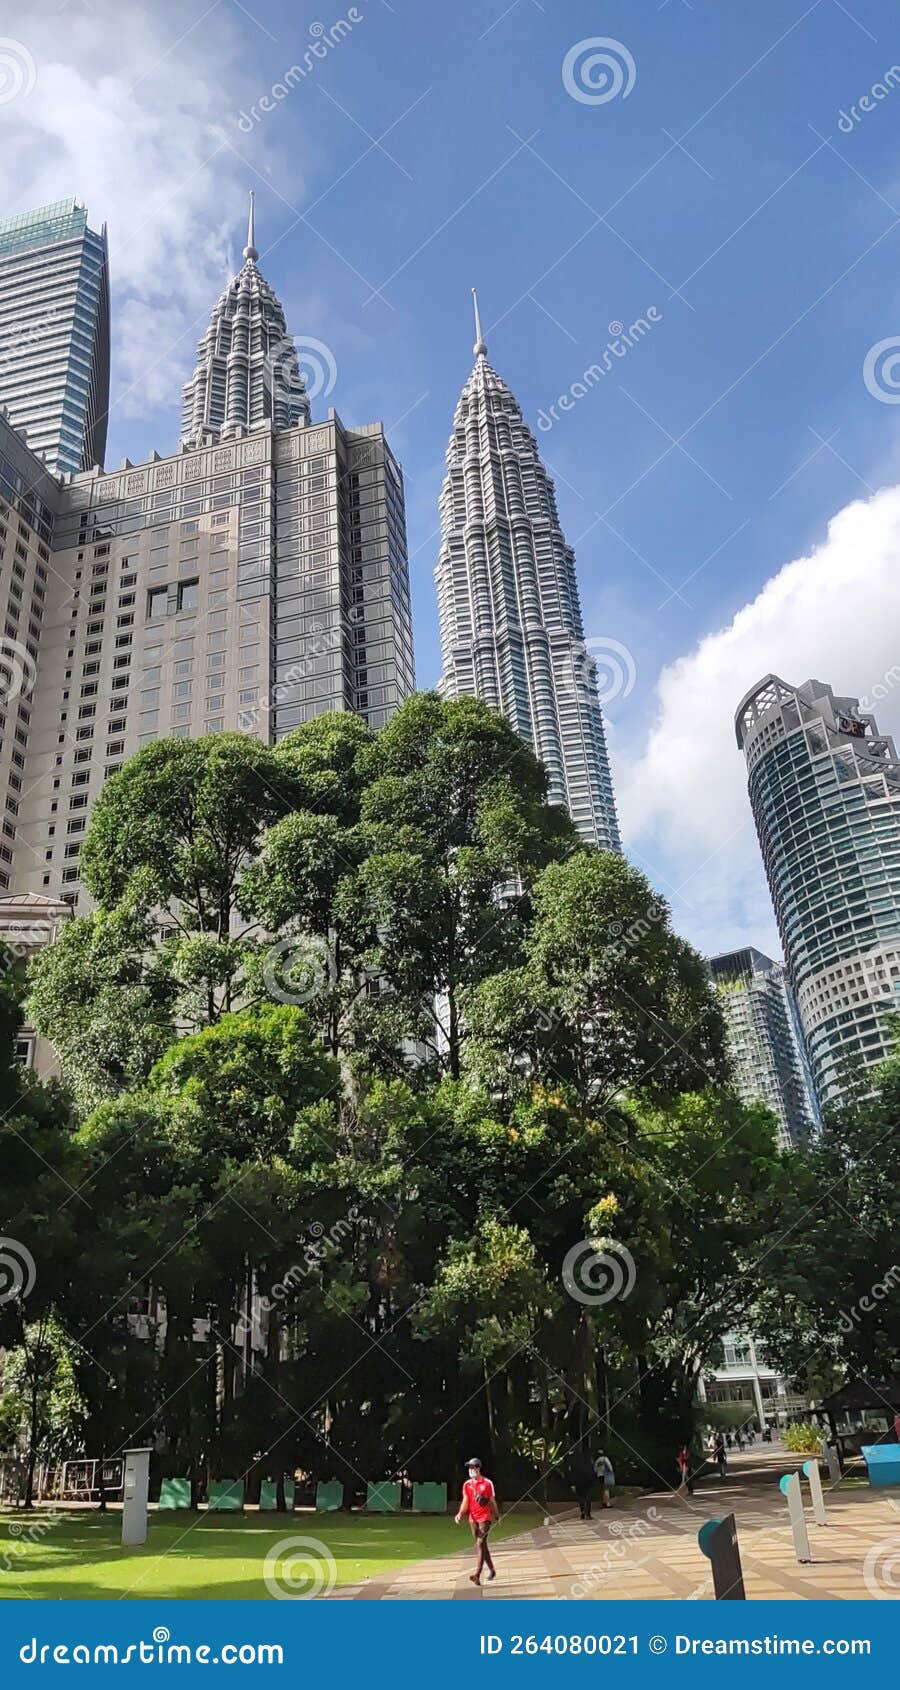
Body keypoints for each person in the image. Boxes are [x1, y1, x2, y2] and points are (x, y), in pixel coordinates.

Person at [455, 1457, 500, 1585]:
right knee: (482, 1545)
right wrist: (460, 1513)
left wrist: (497, 1516)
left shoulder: (487, 1483)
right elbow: (466, 1501)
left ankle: (477, 1575)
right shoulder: (467, 1484)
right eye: (469, 1468)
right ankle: (492, 1570)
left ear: (478, 1468)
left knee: (480, 1543)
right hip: (473, 1518)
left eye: (472, 1467)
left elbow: (492, 1501)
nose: (470, 1470)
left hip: (484, 1518)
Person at [567, 1443, 595, 1520]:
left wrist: (572, 1483)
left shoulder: (573, 1460)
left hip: (578, 1481)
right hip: (587, 1480)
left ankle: (582, 1511)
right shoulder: (587, 1459)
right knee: (587, 1496)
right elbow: (591, 1470)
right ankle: (587, 1513)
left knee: (581, 1497)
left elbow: (571, 1472)